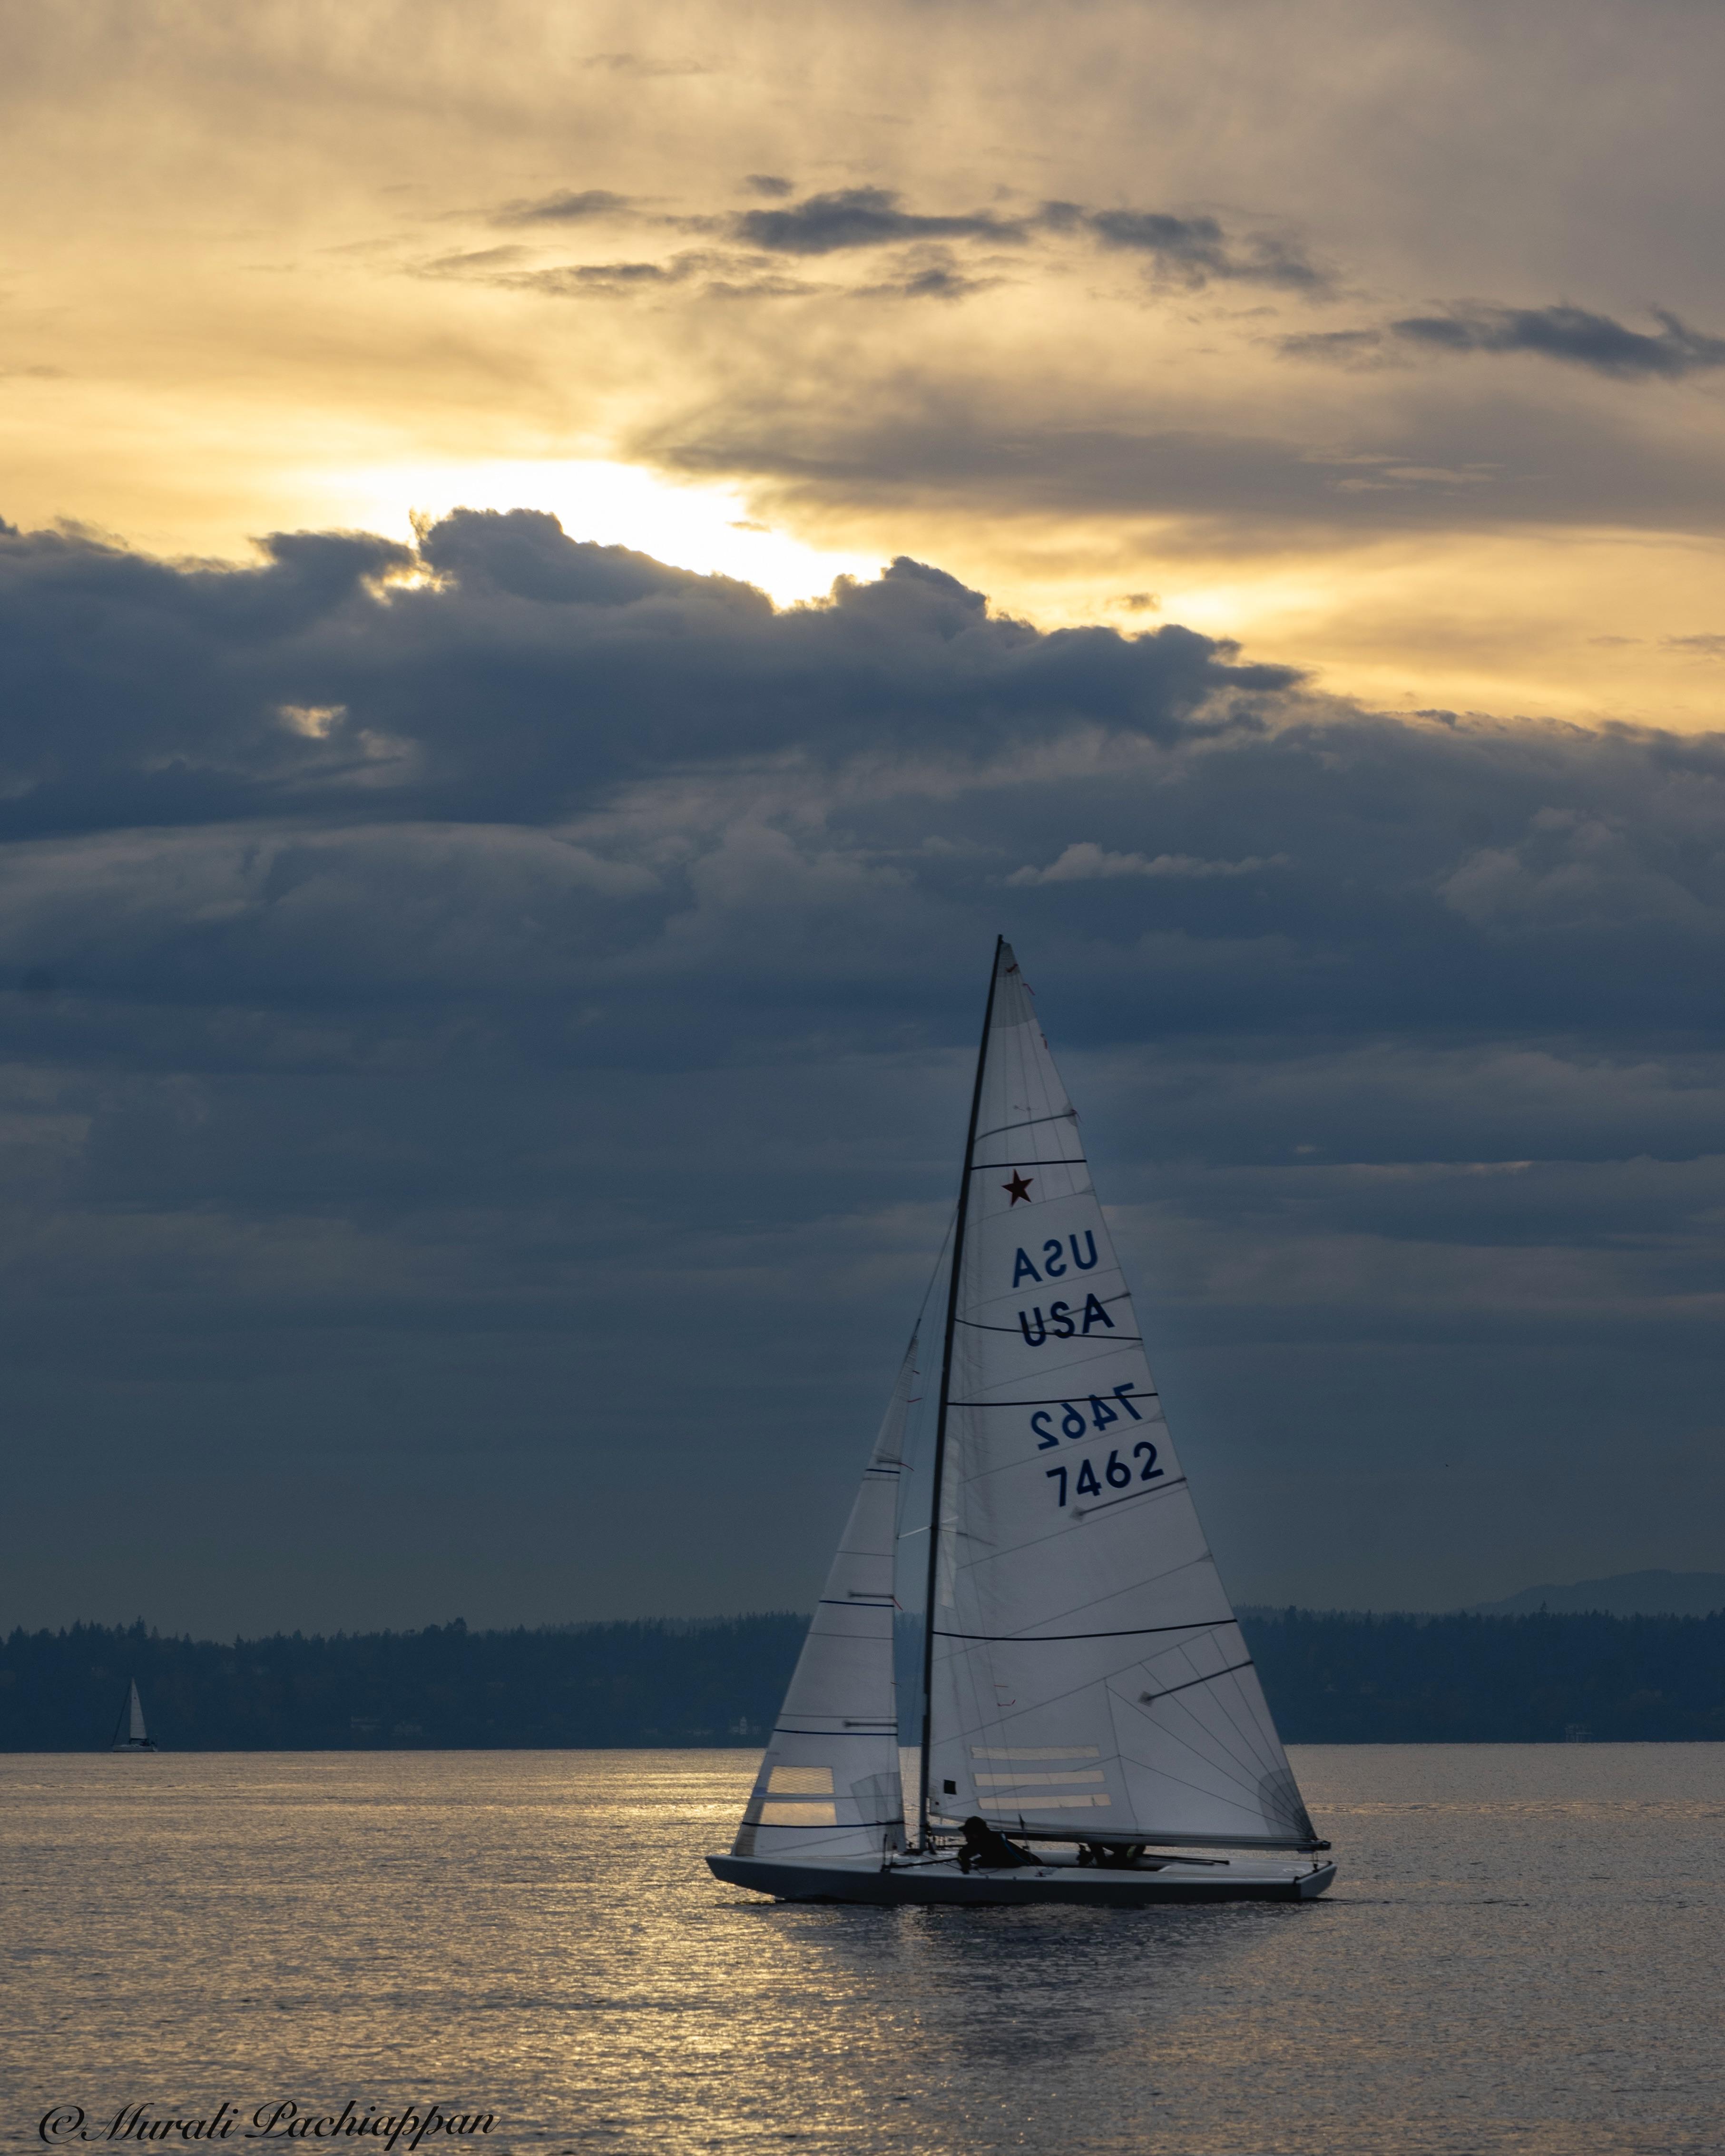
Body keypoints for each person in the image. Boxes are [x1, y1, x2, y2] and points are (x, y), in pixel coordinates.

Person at [956, 1815, 1031, 1872]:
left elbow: (1008, 1861)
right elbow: (962, 1854)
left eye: (966, 1833)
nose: (965, 1837)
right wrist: (965, 1863)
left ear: (974, 1834)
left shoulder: (993, 1841)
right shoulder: (979, 1841)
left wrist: (981, 1862)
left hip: (1031, 1864)